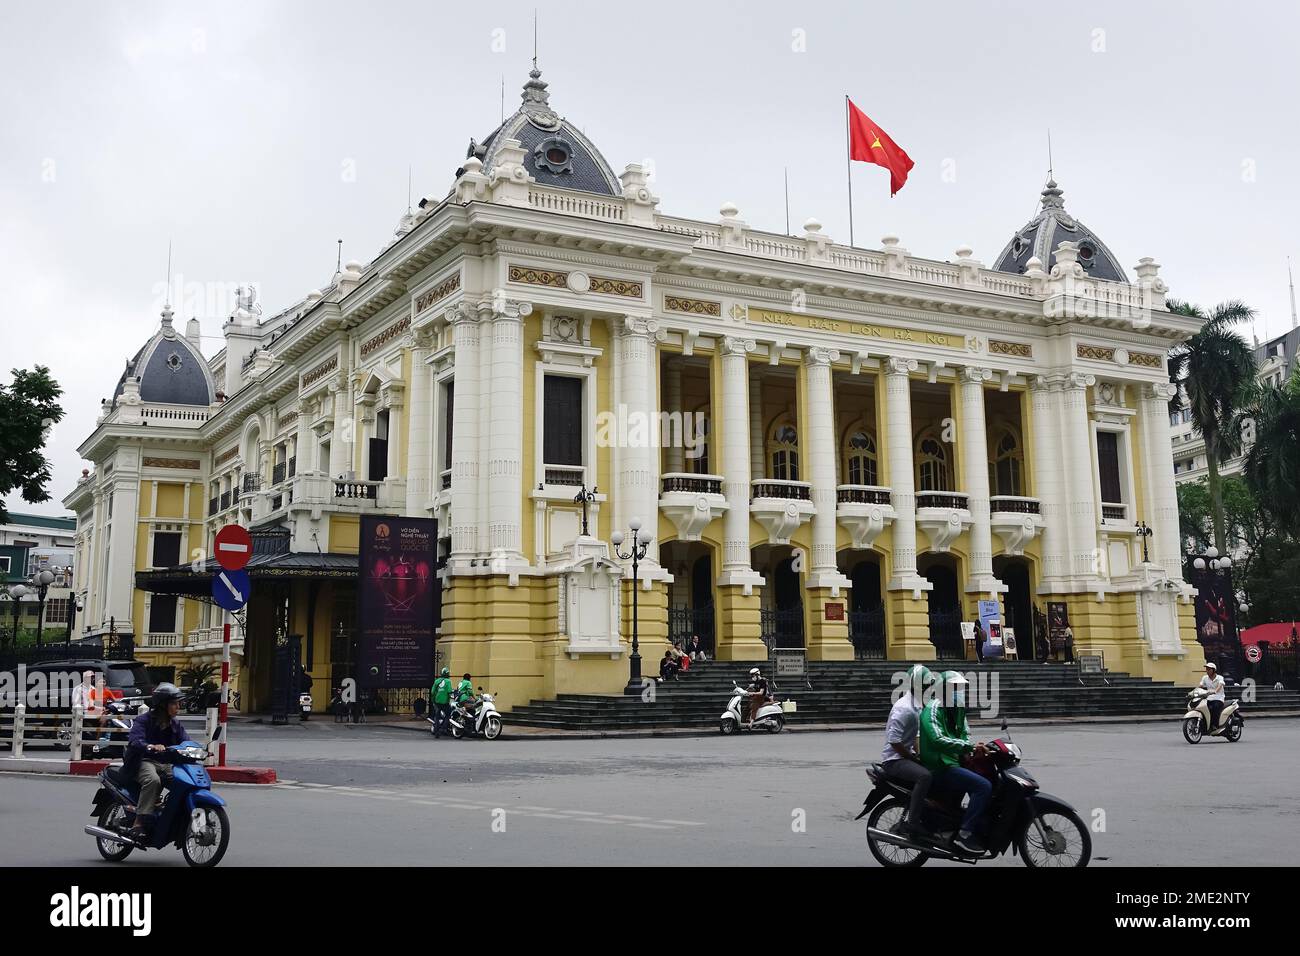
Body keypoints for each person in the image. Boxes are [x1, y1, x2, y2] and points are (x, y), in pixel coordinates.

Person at [919, 670, 990, 855]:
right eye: (954, 687)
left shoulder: (957, 707)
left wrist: (972, 747)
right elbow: (937, 739)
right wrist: (968, 747)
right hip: (940, 765)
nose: (958, 691)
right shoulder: (932, 709)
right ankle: (964, 835)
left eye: (959, 688)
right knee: (983, 787)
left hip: (955, 762)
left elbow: (964, 732)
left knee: (987, 775)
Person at [124, 683, 193, 840]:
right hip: (143, 760)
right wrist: (150, 746)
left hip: (165, 763)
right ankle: (139, 822)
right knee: (153, 780)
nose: (178, 707)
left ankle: (172, 816)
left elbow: (186, 741)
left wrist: (197, 750)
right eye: (174, 703)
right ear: (163, 705)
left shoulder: (175, 724)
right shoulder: (144, 720)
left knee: (183, 782)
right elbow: (135, 740)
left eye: (178, 703)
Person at [880, 664, 934, 838]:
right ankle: (913, 823)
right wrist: (912, 757)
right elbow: (894, 741)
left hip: (906, 755)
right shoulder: (904, 709)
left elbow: (917, 736)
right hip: (894, 760)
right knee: (924, 776)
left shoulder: (918, 705)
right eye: (926, 686)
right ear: (917, 687)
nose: (929, 689)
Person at [1199, 662, 1226, 729]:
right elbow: (1201, 685)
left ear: (1213, 670)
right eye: (1206, 669)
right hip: (1208, 698)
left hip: (1219, 698)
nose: (1207, 671)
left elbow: (1220, 684)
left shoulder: (1220, 677)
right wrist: (1195, 691)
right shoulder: (1205, 678)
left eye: (1209, 669)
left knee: (1215, 708)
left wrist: (1215, 691)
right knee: (1203, 707)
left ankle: (1215, 725)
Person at [431, 667, 453, 738]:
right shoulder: (448, 681)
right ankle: (444, 728)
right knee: (448, 714)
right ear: (447, 674)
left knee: (437, 717)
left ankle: (436, 732)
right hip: (445, 702)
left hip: (437, 702)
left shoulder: (437, 681)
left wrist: (433, 700)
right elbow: (450, 692)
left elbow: (432, 692)